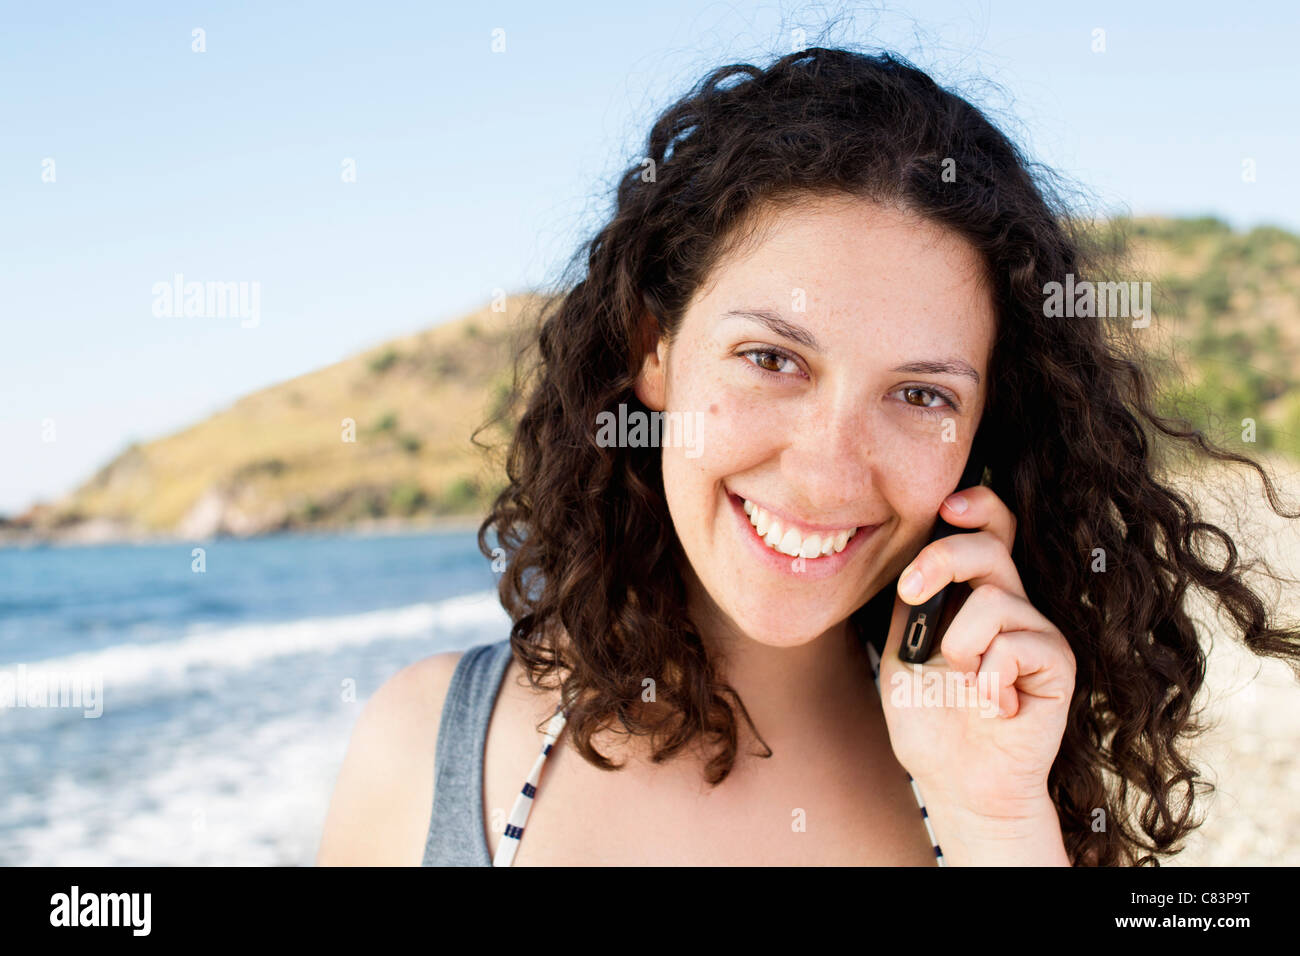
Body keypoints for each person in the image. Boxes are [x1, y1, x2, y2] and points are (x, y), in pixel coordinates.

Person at [317, 47, 1300, 866]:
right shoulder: (422, 748)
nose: (829, 473)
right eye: (770, 358)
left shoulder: (1009, 791)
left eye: (920, 394)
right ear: (650, 349)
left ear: (986, 429)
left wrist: (992, 822)